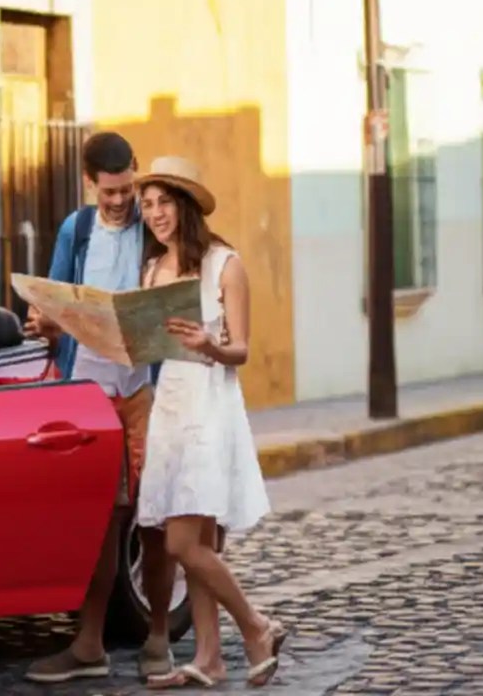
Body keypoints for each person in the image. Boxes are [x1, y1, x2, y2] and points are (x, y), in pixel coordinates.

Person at [23, 132, 178, 683]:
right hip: (87, 391)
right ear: (90, 183)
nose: (120, 200)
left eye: (127, 188)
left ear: (136, 173)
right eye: (109, 191)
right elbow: (54, 303)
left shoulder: (156, 225)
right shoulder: (76, 230)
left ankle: (159, 636)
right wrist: (46, 321)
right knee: (99, 521)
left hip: (142, 390)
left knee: (153, 517)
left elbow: (176, 294)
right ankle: (88, 643)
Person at [132, 156, 286, 689]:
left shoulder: (226, 264)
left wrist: (210, 345)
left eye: (164, 202)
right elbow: (149, 340)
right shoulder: (152, 270)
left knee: (181, 544)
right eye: (147, 205)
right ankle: (209, 659)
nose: (155, 214)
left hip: (210, 404)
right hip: (170, 403)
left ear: (186, 204)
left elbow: (242, 349)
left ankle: (256, 625)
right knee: (197, 542)